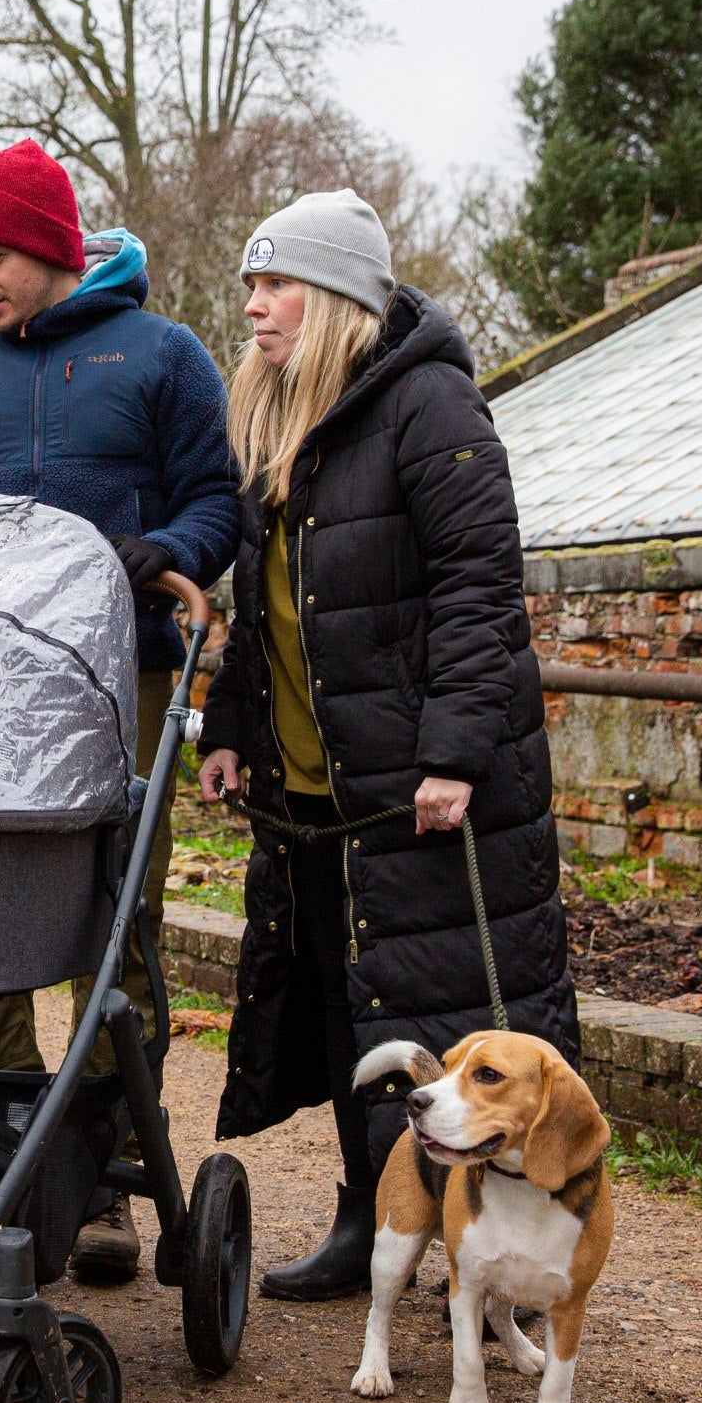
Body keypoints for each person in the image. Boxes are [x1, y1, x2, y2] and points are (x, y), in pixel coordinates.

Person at [0, 138, 241, 1283]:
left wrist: (163, 551)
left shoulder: (163, 357)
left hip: (114, 677)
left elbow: (216, 504)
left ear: (47, 246)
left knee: (108, 920)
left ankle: (104, 1186)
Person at [192, 190, 577, 1302]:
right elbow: (260, 609)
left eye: (274, 287)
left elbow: (480, 594)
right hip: (321, 799)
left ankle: (498, 1251)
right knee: (350, 1014)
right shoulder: (277, 421)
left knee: (446, 1019)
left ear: (337, 301)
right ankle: (371, 1222)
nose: (253, 306)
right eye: (250, 287)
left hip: (422, 795)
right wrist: (229, 729)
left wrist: (453, 752)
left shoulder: (432, 409)